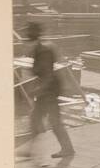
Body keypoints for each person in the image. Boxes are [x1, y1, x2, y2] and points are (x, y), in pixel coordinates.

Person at [22, 22, 74, 159]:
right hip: (47, 89)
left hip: (49, 90)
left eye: (28, 32)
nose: (26, 34)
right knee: (36, 118)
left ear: (34, 33)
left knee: (54, 121)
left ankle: (67, 149)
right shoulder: (38, 48)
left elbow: (48, 75)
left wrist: (38, 90)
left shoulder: (43, 50)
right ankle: (31, 149)